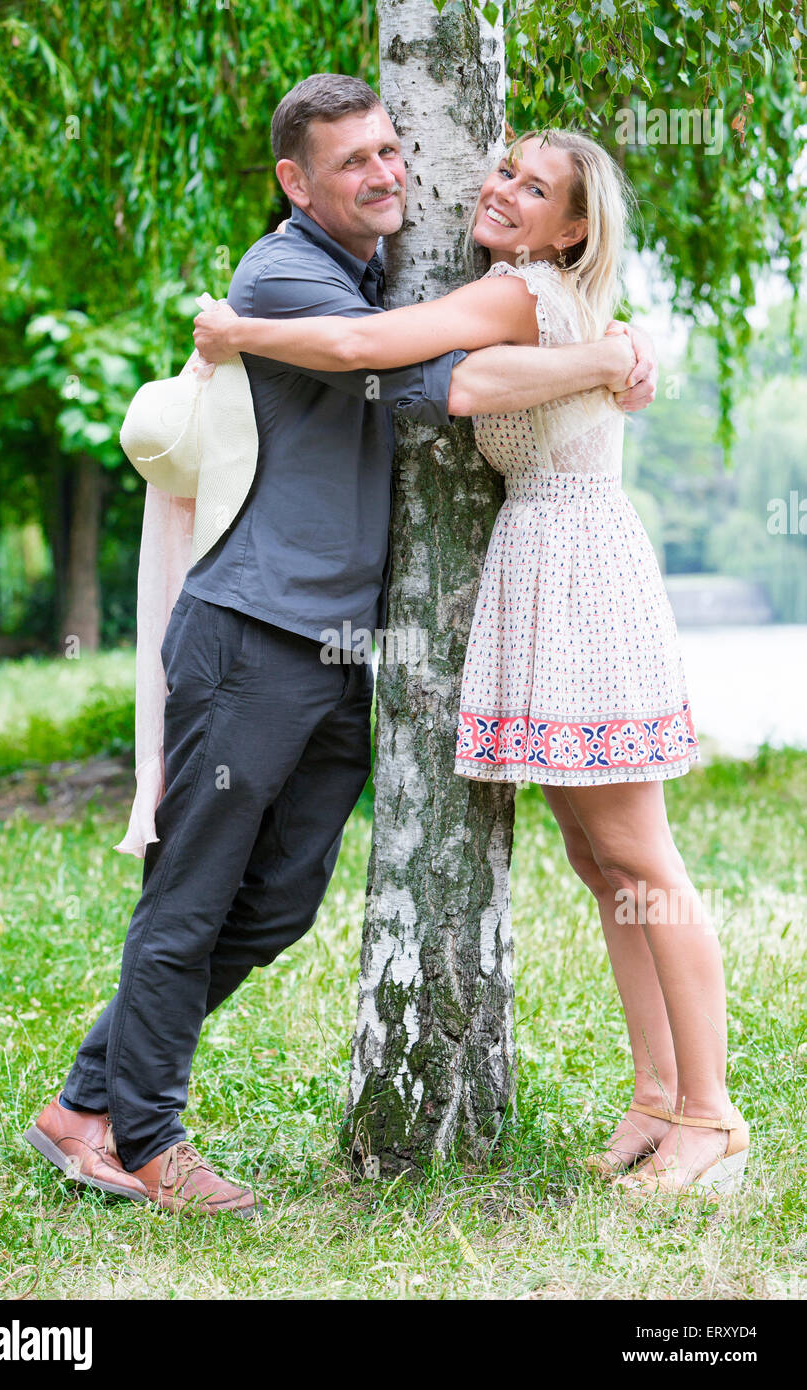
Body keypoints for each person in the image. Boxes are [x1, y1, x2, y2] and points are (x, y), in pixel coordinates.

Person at [23, 75, 651, 1217]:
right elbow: (428, 373)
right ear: (293, 181)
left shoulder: (375, 271)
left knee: (275, 905)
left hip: (333, 650)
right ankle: (147, 1136)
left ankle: (83, 1103)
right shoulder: (281, 273)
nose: (384, 173)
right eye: (352, 160)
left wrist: (597, 345)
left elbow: (443, 346)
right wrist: (601, 356)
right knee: (191, 897)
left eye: (388, 151)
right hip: (252, 631)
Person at [196, 122, 748, 1197]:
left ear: (572, 227)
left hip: (578, 569)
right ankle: (652, 1095)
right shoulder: (543, 304)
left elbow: (370, 350)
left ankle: (710, 1115)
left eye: (533, 188)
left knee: (641, 863)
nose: (500, 192)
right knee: (602, 867)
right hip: (550, 561)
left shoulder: (522, 292)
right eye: (503, 170)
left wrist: (240, 329)